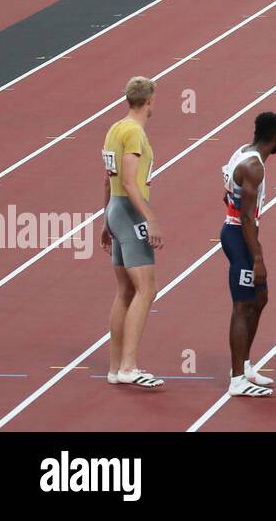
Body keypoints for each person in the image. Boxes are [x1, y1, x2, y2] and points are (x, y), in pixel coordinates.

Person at [100, 77, 164, 388]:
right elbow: (128, 181)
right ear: (149, 101)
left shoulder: (115, 128)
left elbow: (107, 178)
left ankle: (116, 368)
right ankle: (129, 366)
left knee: (125, 291)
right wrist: (150, 218)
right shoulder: (135, 133)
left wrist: (105, 219)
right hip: (129, 212)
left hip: (116, 210)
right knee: (147, 289)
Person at [220, 112, 276, 398]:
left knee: (260, 298)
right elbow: (246, 216)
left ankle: (244, 366)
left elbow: (228, 194)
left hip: (239, 233)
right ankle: (236, 380)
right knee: (242, 306)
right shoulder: (254, 167)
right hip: (239, 237)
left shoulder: (241, 152)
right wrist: (257, 257)